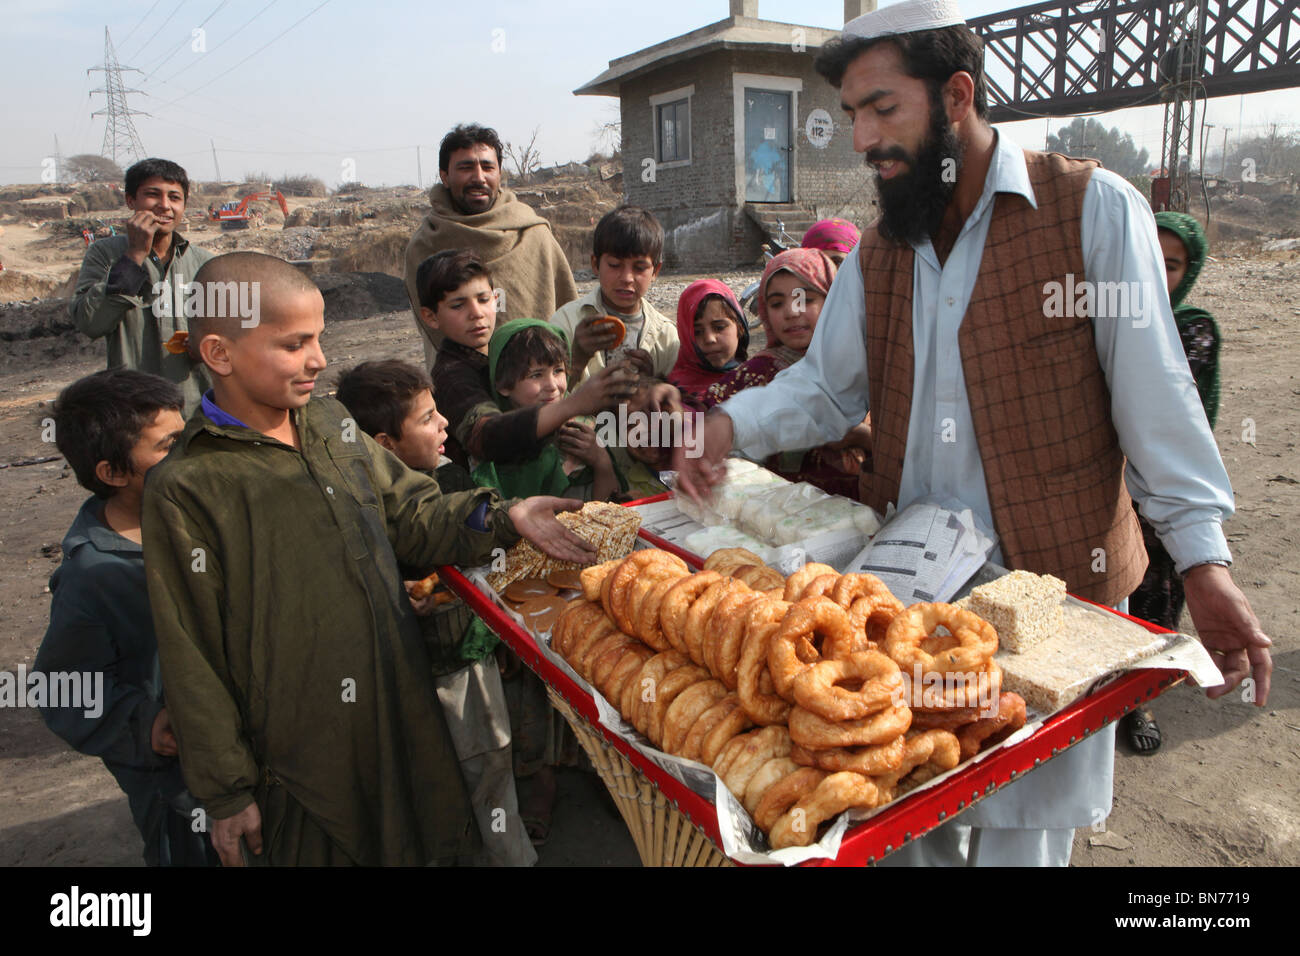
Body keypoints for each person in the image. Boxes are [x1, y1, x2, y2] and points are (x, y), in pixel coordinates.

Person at [674, 0, 1271, 866]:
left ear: (956, 95)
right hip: (915, 604)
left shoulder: (1090, 211)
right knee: (907, 813)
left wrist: (1206, 563)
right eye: (851, 115)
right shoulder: (883, 250)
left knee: (1022, 835)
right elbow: (825, 388)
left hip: (1051, 611)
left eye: (883, 108)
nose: (860, 138)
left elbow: (1158, 400)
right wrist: (726, 424)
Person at [141, 251, 596, 866]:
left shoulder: (329, 424)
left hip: (397, 699)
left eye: (320, 338)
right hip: (300, 748)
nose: (319, 360)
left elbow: (412, 516)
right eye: (295, 344)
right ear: (220, 354)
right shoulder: (188, 488)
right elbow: (189, 648)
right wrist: (225, 793)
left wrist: (501, 515)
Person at [334, 359, 537, 866]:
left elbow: (480, 564)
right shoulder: (361, 513)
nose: (445, 423)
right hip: (425, 670)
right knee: (445, 775)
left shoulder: (450, 477)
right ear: (384, 446)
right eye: (427, 419)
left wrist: (492, 635)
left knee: (491, 764)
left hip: (467, 657)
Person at [34, 369, 215, 866]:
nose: (188, 456)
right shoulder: (95, 575)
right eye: (168, 446)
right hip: (178, 791)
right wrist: (145, 723)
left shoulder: (194, 516)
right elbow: (60, 687)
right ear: (113, 472)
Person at [1122, 211, 1223, 754]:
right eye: (1148, 260)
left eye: (1172, 265)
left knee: (1156, 597)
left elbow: (1177, 423)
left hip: (1157, 489)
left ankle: (1141, 702)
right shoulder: (1103, 317)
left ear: (1191, 271)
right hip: (1104, 488)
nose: (1157, 275)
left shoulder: (1192, 330)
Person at [404, 124, 577, 369]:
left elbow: (567, 312)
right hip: (461, 385)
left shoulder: (533, 233)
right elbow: (431, 326)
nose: (478, 178)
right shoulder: (424, 245)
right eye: (465, 168)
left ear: (498, 173)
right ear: (444, 175)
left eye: (487, 167)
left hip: (538, 382)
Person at [704, 249, 869, 498]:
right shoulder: (756, 374)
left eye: (805, 299)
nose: (791, 312)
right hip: (781, 517)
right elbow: (700, 420)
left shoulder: (866, 369)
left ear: (834, 302)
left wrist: (865, 439)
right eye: (777, 303)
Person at [70, 158, 213, 414]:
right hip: (134, 412)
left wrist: (205, 344)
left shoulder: (206, 263)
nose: (165, 206)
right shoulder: (105, 255)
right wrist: (134, 255)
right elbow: (91, 323)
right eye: (152, 195)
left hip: (197, 411)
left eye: (175, 197)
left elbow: (232, 335)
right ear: (130, 201)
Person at [472, 319, 624, 503]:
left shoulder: (583, 428)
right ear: (503, 385)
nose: (552, 386)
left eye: (558, 371)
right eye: (536, 375)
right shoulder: (497, 446)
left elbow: (610, 508)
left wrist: (600, 460)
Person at [549, 205, 680, 385]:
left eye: (640, 268)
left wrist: (652, 382)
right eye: (614, 265)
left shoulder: (666, 336)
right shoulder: (565, 323)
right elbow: (545, 402)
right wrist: (577, 361)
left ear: (656, 271)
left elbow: (675, 404)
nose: (627, 278)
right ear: (595, 264)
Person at [667, 279, 750, 405]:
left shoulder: (757, 380)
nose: (709, 339)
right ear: (686, 337)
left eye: (719, 327)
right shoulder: (671, 393)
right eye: (698, 332)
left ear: (740, 327)